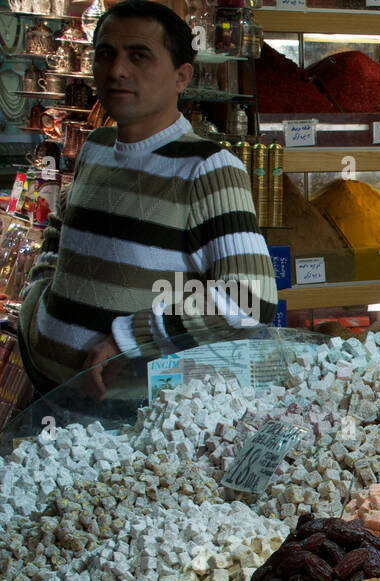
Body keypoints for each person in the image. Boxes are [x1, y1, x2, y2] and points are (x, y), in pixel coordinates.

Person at [17, 0, 276, 399]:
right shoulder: (97, 146)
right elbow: (62, 229)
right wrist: (38, 297)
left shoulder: (208, 169)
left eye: (139, 56)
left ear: (181, 76)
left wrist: (129, 337)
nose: (118, 70)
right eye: (107, 54)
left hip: (128, 424)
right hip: (50, 398)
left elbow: (251, 300)